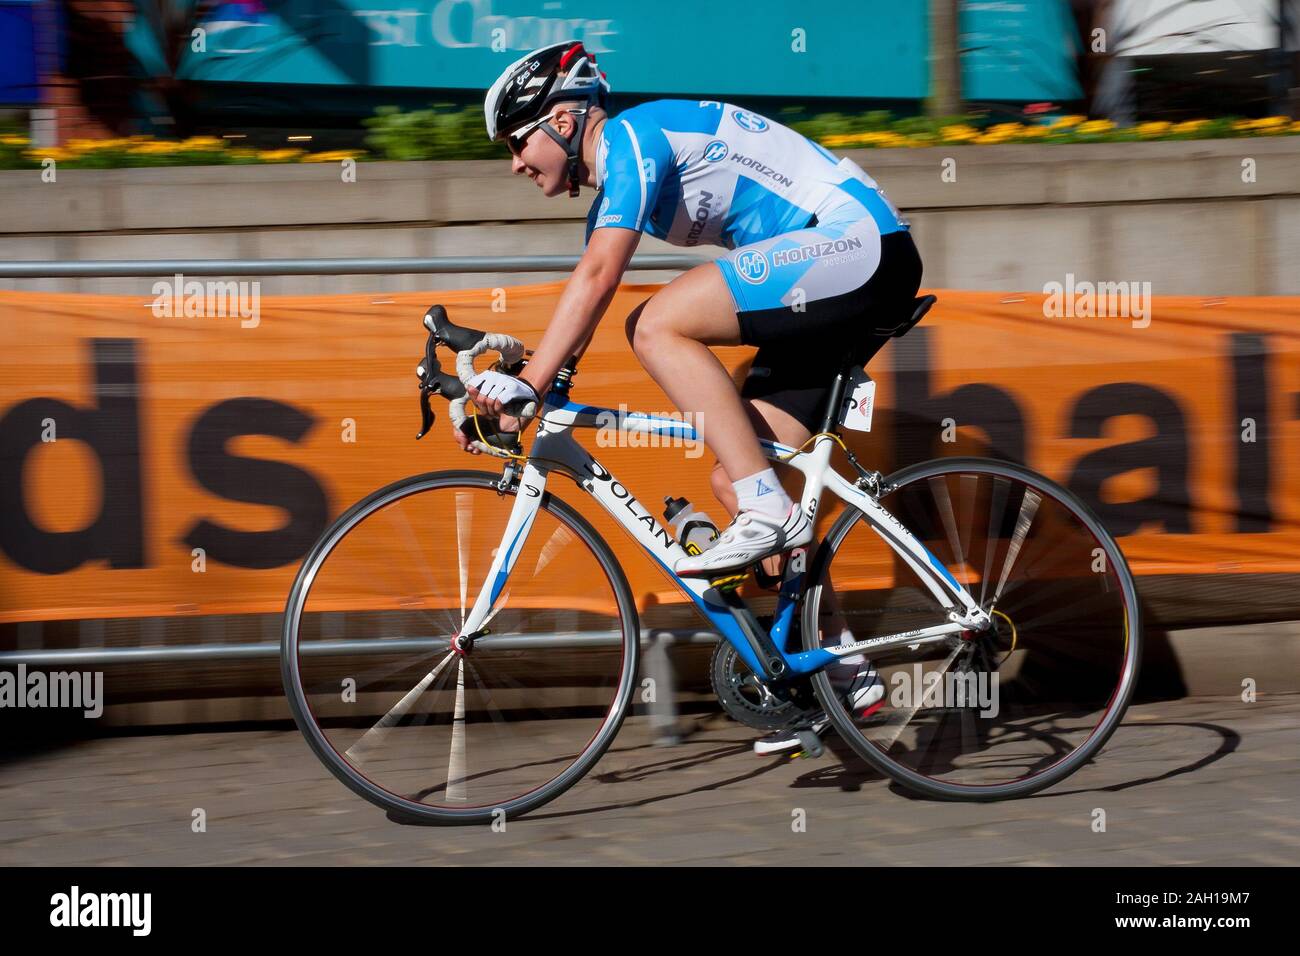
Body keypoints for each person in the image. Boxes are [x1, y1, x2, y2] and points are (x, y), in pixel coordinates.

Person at [466, 41, 919, 751]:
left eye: (518, 143)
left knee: (656, 324)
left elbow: (597, 279)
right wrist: (520, 400)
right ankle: (847, 677)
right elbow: (577, 317)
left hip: (855, 245)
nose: (515, 163)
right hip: (838, 268)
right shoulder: (620, 173)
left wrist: (525, 382)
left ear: (561, 119)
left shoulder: (632, 140)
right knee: (737, 474)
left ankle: (769, 512)